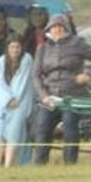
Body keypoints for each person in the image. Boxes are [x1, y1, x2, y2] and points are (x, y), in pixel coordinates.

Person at [31, 14, 91, 165]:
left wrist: (87, 74)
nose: (57, 29)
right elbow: (36, 76)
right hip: (50, 97)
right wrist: (43, 95)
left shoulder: (77, 43)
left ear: (66, 28)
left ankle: (70, 165)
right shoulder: (42, 48)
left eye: (60, 26)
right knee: (42, 128)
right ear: (49, 29)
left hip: (72, 96)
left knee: (70, 128)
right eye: (54, 27)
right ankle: (39, 165)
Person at [0, 34, 34, 167]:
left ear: (22, 48)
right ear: (7, 48)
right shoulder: (2, 60)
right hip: (4, 103)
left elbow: (22, 82)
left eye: (18, 47)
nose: (15, 50)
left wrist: (14, 100)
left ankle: (8, 166)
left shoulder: (27, 59)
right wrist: (7, 100)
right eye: (12, 47)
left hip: (21, 102)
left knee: (14, 132)